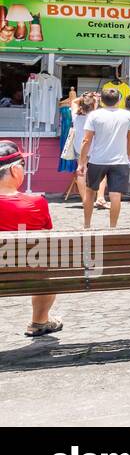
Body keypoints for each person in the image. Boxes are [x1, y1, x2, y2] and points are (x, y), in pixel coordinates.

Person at [0, 142, 60, 337]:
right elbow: (45, 236)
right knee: (44, 266)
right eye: (23, 165)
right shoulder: (36, 203)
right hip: (27, 271)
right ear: (14, 170)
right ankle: (39, 322)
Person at [78, 87, 130, 229]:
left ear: (102, 100)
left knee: (90, 192)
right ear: (119, 100)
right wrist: (127, 153)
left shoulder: (94, 115)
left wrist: (81, 161)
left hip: (97, 159)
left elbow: (86, 140)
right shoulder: (127, 115)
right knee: (115, 195)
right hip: (120, 160)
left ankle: (87, 224)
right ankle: (113, 227)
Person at [69, 93, 97, 208]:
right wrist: (93, 98)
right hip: (92, 145)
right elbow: (96, 104)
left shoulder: (75, 116)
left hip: (78, 146)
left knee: (81, 171)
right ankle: (93, 198)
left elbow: (74, 102)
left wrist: (83, 98)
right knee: (94, 172)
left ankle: (84, 199)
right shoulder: (94, 116)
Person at [57, 88, 77, 176]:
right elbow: (60, 121)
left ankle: (74, 167)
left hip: (76, 131)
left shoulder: (80, 103)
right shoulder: (62, 104)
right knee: (67, 148)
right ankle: (68, 166)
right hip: (66, 131)